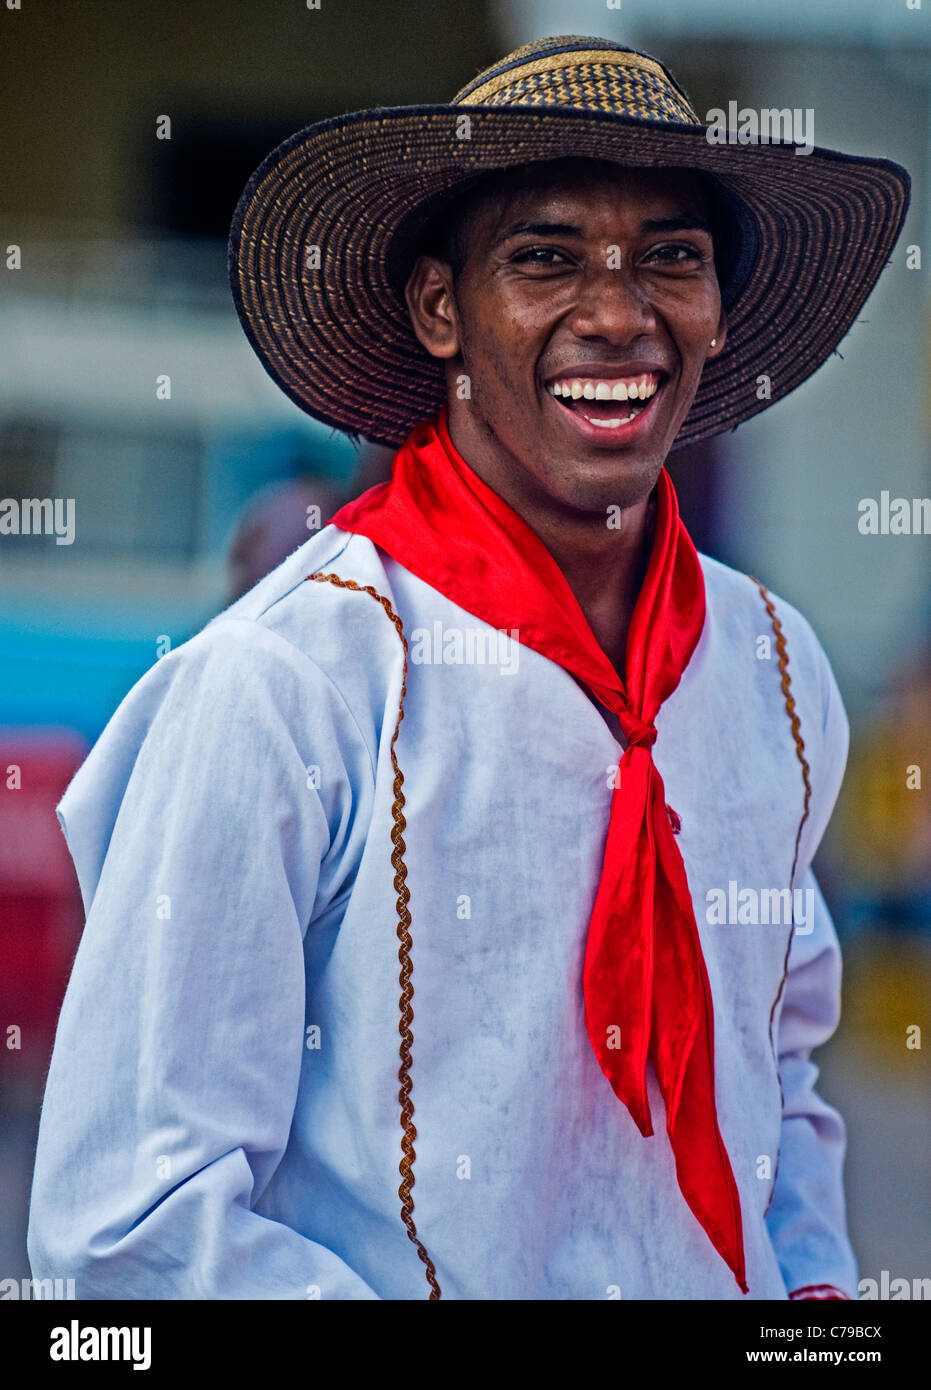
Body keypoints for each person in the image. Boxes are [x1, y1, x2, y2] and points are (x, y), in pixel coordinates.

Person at [28, 35, 910, 1300]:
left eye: (673, 256)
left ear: (717, 310)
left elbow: (777, 1078)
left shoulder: (772, 665)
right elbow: (125, 1228)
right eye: (544, 257)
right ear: (441, 309)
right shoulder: (287, 686)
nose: (619, 314)